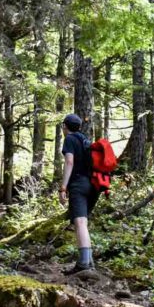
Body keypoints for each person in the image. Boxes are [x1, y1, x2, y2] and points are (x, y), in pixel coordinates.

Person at [58, 113, 99, 274]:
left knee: (80, 222)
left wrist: (63, 187)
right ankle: (88, 262)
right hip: (94, 185)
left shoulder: (70, 139)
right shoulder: (85, 140)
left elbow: (69, 161)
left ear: (65, 127)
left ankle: (83, 264)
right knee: (83, 222)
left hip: (79, 184)